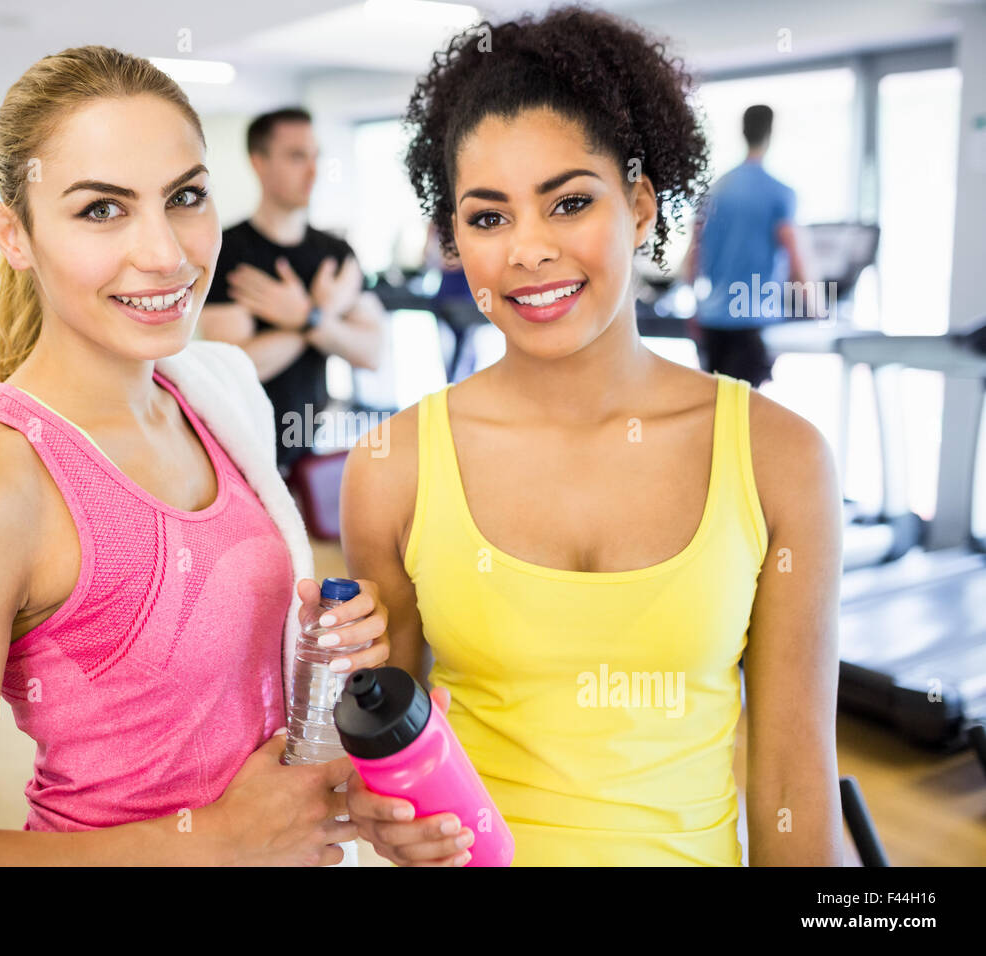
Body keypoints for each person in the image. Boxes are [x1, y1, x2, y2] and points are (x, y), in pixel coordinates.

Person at [0, 46, 390, 866]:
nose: (166, 254)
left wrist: (317, 648)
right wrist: (214, 843)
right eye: (102, 210)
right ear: (15, 235)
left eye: (185, 197)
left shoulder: (218, 390)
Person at [341, 7, 844, 865]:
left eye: (569, 202)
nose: (529, 251)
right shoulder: (393, 466)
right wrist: (377, 811)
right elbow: (384, 736)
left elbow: (795, 781)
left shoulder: (781, 458)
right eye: (489, 218)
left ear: (641, 205)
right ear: (455, 240)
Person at [200, 107, 385, 475]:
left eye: (317, 156)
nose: (314, 171)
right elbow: (238, 367)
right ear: (259, 162)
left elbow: (372, 352)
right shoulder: (225, 252)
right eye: (297, 157)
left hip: (312, 443)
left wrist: (305, 316)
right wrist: (318, 315)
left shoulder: (336, 255)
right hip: (243, 453)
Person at [683, 104, 812, 388]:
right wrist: (814, 305)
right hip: (752, 321)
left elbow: (693, 256)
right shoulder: (778, 192)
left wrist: (695, 306)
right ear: (770, 134)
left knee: (716, 409)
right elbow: (795, 257)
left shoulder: (715, 190)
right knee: (748, 417)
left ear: (743, 131)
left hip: (712, 320)